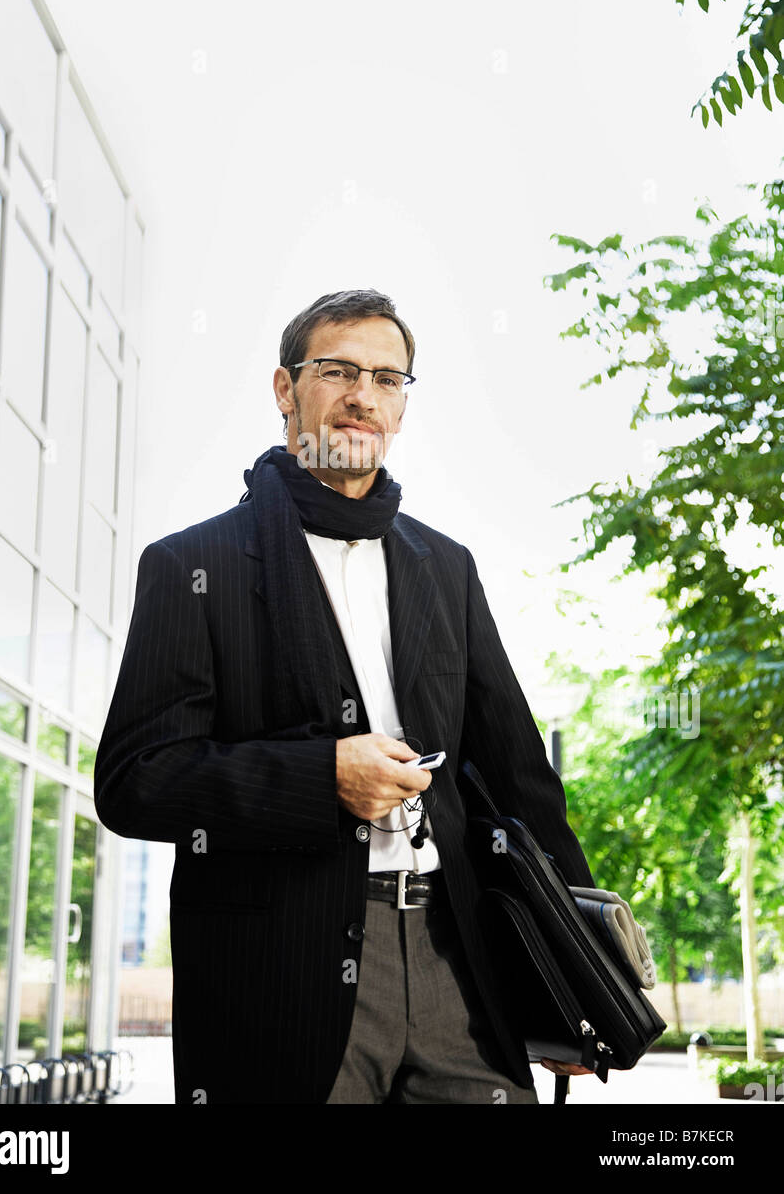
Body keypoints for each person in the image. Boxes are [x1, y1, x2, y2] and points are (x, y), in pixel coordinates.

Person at [94, 288, 596, 1104]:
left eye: (388, 379)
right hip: (282, 977)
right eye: (338, 370)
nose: (365, 395)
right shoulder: (193, 566)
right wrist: (321, 776)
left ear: (401, 405)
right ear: (286, 390)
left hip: (460, 964)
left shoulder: (447, 567)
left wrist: (574, 977)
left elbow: (521, 785)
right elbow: (136, 783)